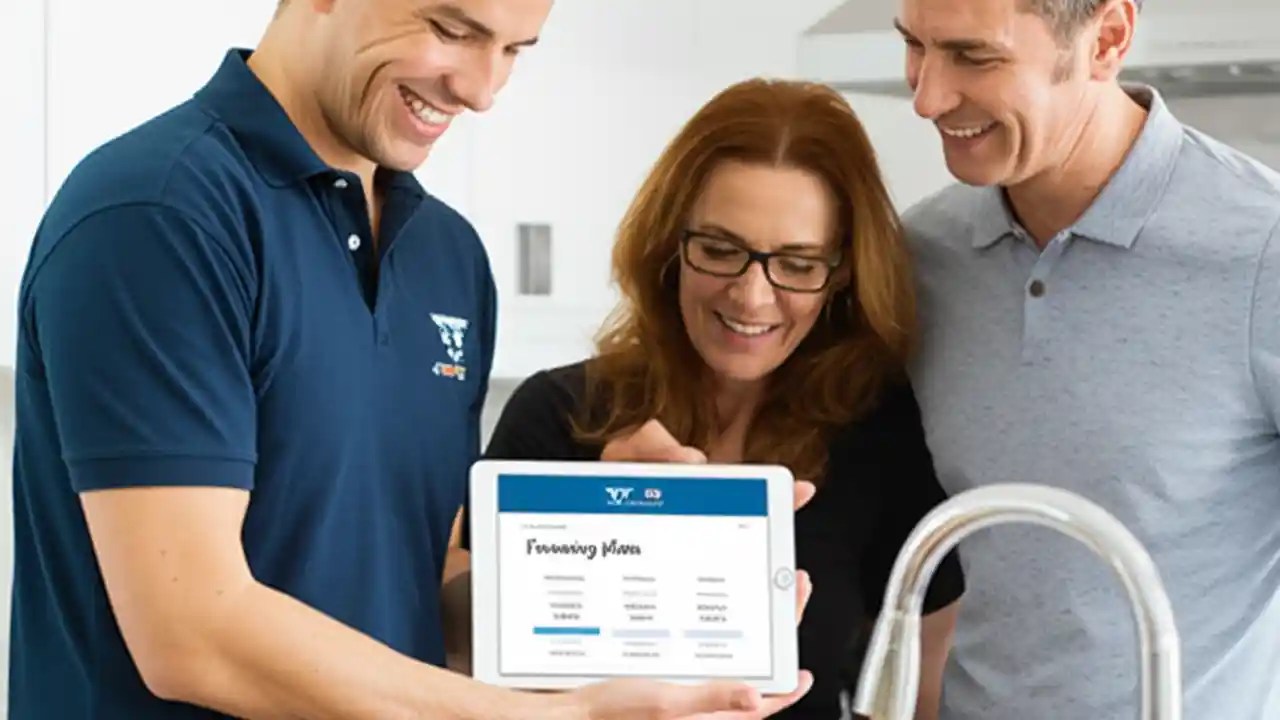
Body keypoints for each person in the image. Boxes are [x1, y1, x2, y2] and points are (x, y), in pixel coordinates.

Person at [8, 1, 814, 718]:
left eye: (514, 50)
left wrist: (615, 555)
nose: (482, 90)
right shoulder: (158, 214)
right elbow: (194, 634)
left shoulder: (446, 255)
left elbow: (420, 598)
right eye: (452, 29)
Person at [477, 78, 967, 720]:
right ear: (670, 245)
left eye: (797, 264)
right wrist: (598, 526)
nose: (751, 297)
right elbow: (468, 656)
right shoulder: (559, 415)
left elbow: (921, 692)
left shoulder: (882, 437)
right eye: (718, 250)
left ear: (842, 273)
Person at [895, 0, 1280, 717]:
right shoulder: (921, 256)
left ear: (1107, 38)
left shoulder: (1264, 252)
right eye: (915, 46)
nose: (927, 98)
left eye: (974, 57)